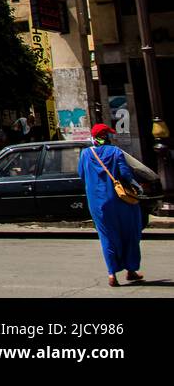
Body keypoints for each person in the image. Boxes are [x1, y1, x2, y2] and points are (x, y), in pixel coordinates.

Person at [79, 123, 144, 287]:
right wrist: (137, 185)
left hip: (97, 203)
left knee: (106, 236)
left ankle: (111, 274)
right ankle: (130, 270)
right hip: (121, 201)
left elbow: (82, 175)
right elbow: (125, 174)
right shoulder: (115, 152)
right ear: (107, 137)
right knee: (129, 234)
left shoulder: (85, 154)